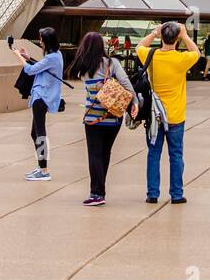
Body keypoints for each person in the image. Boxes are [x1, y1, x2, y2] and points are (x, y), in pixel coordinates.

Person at [70, 31, 137, 205]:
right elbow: (126, 84)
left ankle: (97, 193)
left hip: (93, 117)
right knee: (105, 153)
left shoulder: (82, 66)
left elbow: (81, 77)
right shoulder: (112, 63)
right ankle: (100, 190)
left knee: (94, 154)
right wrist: (135, 102)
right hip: (113, 116)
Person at [136, 21, 199, 204]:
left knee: (153, 154)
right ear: (176, 39)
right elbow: (196, 52)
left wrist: (154, 33)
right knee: (176, 155)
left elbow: (140, 46)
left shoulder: (151, 55)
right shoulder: (181, 59)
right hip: (175, 116)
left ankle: (152, 193)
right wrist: (185, 36)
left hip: (154, 115)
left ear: (162, 37)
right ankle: (177, 194)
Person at [13, 27, 64, 182]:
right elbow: (42, 65)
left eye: (41, 38)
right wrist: (27, 56)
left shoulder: (51, 58)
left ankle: (44, 170)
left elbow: (29, 70)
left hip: (42, 97)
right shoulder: (56, 55)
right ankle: (40, 167)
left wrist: (19, 57)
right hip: (42, 97)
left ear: (45, 41)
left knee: (40, 134)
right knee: (35, 133)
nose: (40, 41)